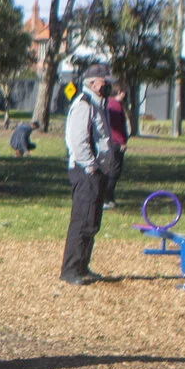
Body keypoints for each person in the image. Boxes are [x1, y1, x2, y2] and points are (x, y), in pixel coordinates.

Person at [60, 64, 119, 285]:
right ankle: (70, 270)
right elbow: (78, 140)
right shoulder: (84, 105)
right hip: (86, 172)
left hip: (96, 172)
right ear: (93, 83)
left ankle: (82, 266)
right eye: (105, 82)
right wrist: (91, 166)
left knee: (92, 221)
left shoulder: (98, 104)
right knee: (82, 221)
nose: (109, 86)